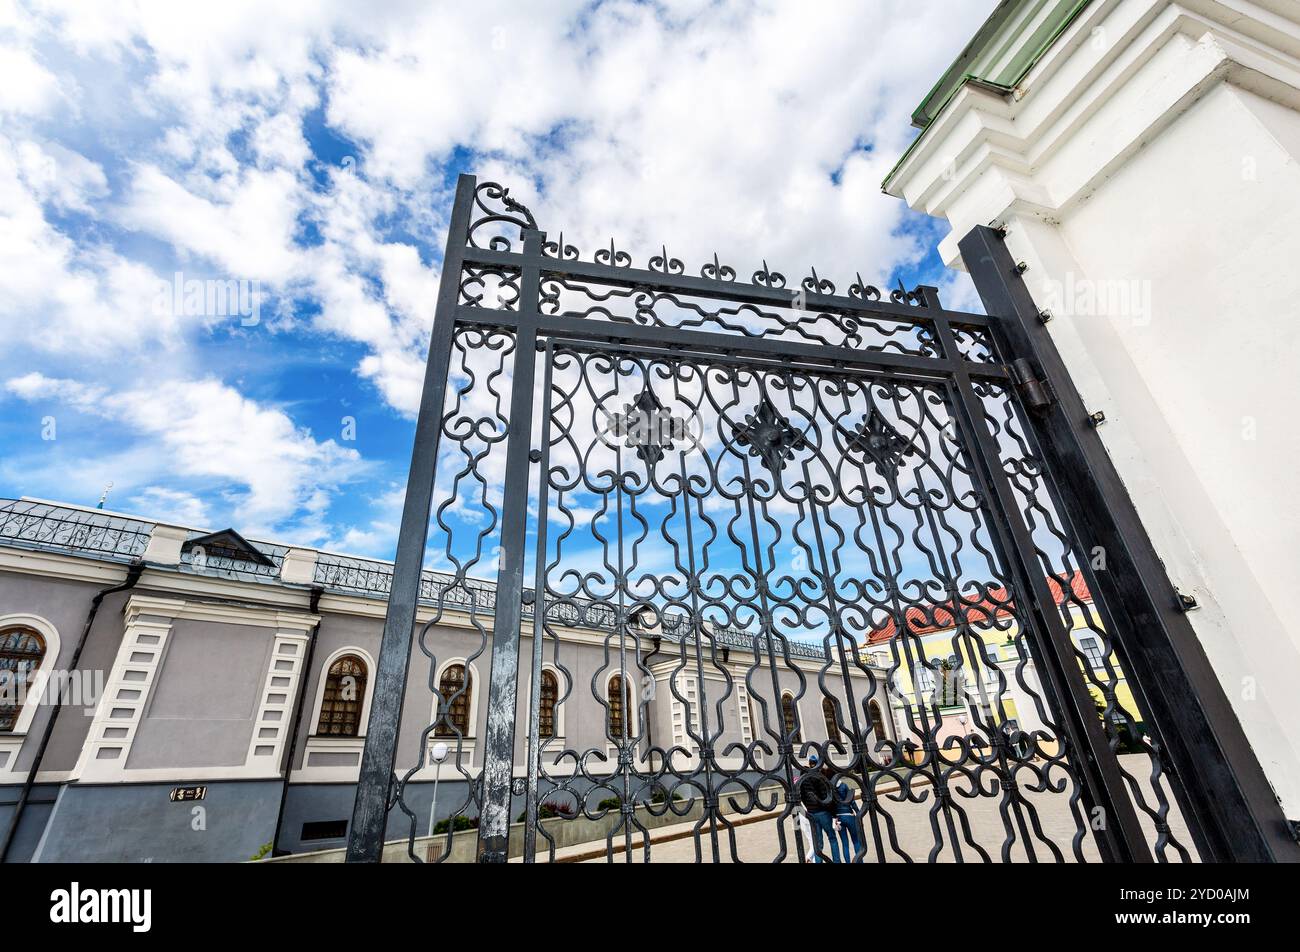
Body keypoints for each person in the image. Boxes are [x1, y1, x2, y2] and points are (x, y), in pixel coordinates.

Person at [796, 753, 840, 863]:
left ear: (809, 764)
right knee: (832, 838)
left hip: (811, 813)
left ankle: (818, 861)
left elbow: (802, 797)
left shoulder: (803, 779)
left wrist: (809, 807)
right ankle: (836, 861)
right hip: (823, 812)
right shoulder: (819, 777)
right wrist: (834, 814)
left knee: (818, 842)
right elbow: (826, 797)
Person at [832, 781, 864, 862]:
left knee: (844, 843)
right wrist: (858, 813)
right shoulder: (843, 785)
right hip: (849, 815)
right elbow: (852, 801)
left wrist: (833, 816)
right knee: (856, 841)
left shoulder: (830, 787)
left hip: (839, 817)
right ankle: (859, 861)